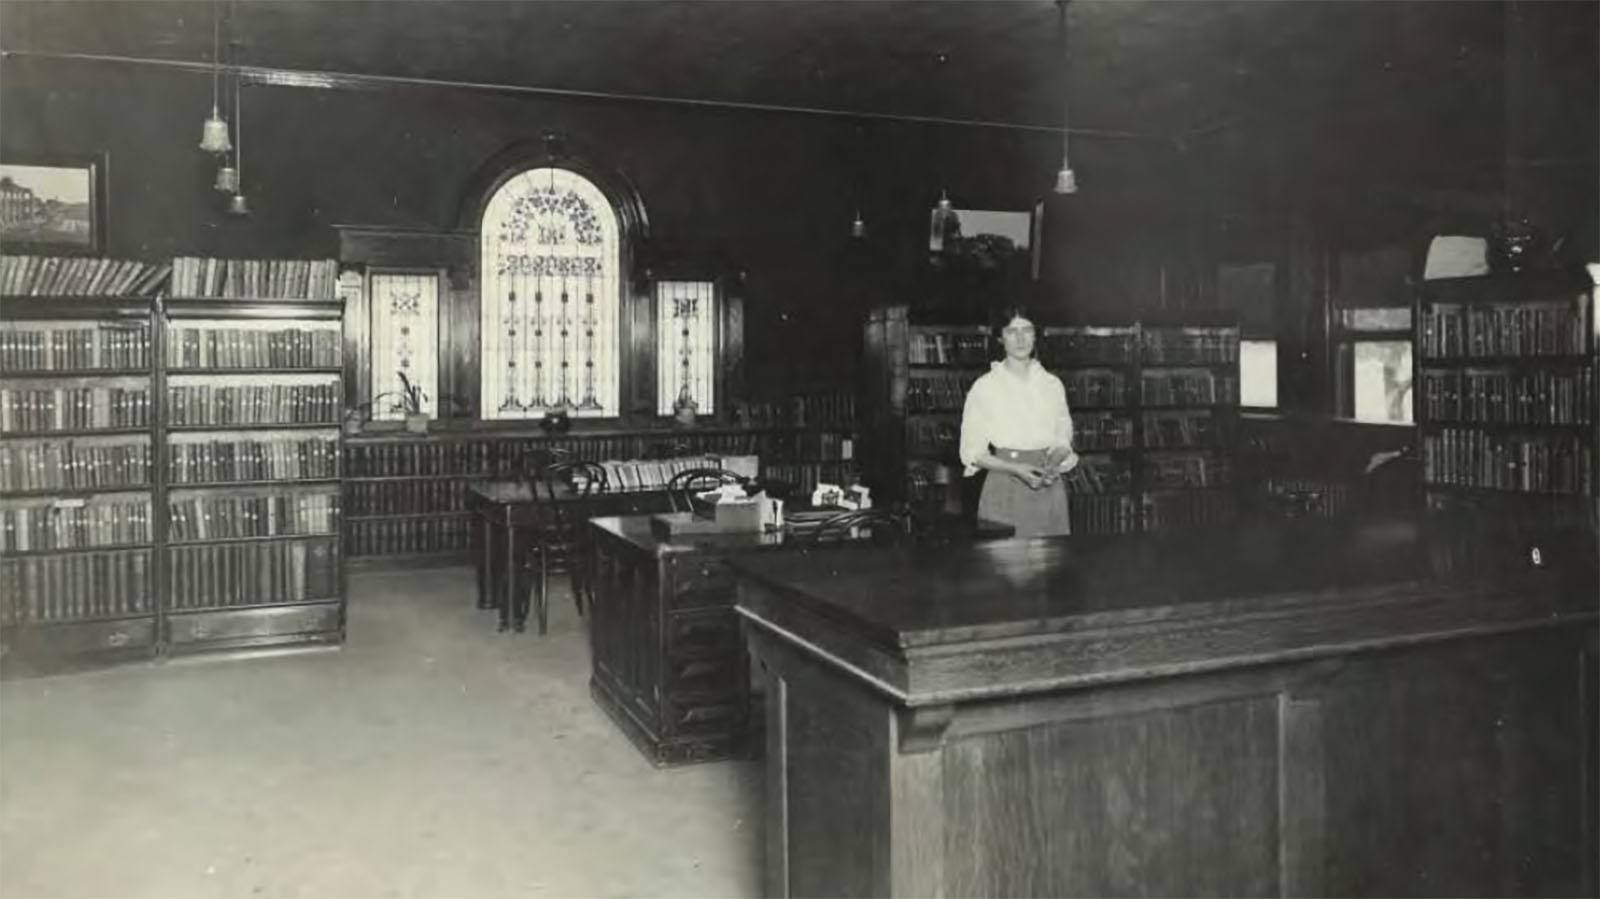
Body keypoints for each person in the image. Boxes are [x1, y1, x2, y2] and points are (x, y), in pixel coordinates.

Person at [958, 306, 1079, 536]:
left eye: (1027, 330)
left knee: (1052, 567)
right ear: (1000, 337)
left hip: (1048, 487)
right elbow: (974, 452)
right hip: (1006, 486)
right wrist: (1016, 469)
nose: (1021, 338)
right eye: (1012, 331)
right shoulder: (986, 387)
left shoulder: (1052, 384)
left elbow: (1063, 437)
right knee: (1007, 567)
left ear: (1036, 334)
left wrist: (1051, 464)